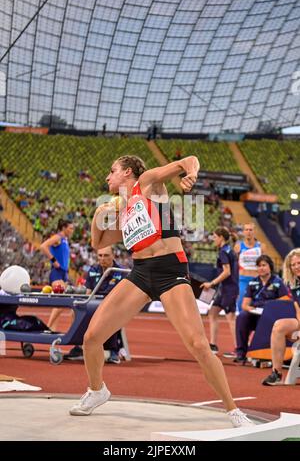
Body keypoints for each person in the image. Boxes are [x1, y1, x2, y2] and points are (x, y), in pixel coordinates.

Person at [69, 154, 253, 427]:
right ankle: (97, 390)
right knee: (92, 337)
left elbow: (188, 160)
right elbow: (99, 243)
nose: (107, 177)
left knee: (199, 345)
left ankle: (233, 409)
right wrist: (98, 216)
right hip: (141, 274)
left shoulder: (146, 184)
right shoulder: (124, 210)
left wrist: (190, 174)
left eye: (112, 170)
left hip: (171, 271)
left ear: (128, 171)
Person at [64, 246, 124, 364]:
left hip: (112, 304)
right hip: (93, 302)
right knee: (75, 311)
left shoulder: (121, 271)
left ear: (113, 256)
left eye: (106, 255)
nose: (102, 258)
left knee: (109, 313)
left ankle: (113, 350)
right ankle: (79, 347)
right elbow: (88, 291)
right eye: (100, 255)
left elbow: (123, 295)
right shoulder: (93, 270)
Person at [235, 255, 289, 364]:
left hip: (270, 316)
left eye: (264, 265)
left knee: (264, 319)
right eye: (259, 266)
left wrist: (269, 310)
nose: (261, 268)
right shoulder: (252, 282)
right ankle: (241, 353)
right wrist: (252, 309)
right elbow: (245, 305)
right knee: (242, 317)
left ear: (270, 267)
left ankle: (258, 353)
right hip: (255, 313)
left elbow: (285, 303)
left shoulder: (278, 283)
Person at [262, 249, 300, 385]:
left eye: (299, 263)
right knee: (279, 326)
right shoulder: (294, 284)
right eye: (293, 265)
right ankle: (276, 373)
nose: (296, 267)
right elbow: (298, 308)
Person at [201, 227, 239, 357]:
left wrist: (211, 283)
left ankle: (238, 349)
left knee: (231, 319)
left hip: (229, 289)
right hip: (224, 289)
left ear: (221, 237)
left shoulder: (224, 251)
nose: (213, 239)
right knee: (213, 313)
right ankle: (213, 344)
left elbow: (227, 272)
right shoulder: (228, 250)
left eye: (215, 237)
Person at [40, 219, 74, 330]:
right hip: (57, 273)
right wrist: (54, 261)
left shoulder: (64, 239)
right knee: (60, 303)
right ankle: (49, 328)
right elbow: (43, 246)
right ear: (64, 228)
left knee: (60, 304)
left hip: (63, 273)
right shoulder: (58, 237)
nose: (72, 230)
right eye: (70, 228)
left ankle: (52, 330)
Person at [234, 223, 266, 313]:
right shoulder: (238, 246)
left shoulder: (261, 247)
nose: (248, 232)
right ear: (243, 232)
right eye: (246, 230)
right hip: (242, 280)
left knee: (258, 306)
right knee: (241, 305)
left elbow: (265, 264)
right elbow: (234, 264)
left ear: (254, 232)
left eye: (251, 230)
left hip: (256, 280)